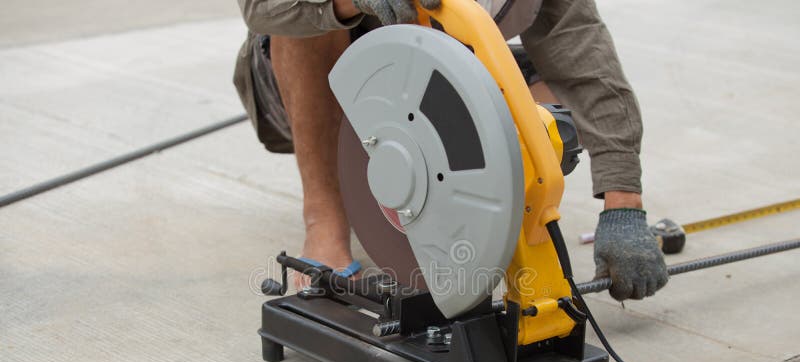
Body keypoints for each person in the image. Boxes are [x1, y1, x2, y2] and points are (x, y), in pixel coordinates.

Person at [233, 0, 669, 301]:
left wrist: (623, 203)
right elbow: (260, 8)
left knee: (548, 99)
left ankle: (451, 215)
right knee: (309, 21)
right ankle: (324, 223)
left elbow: (586, 62)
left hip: (431, 75)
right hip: (337, 78)